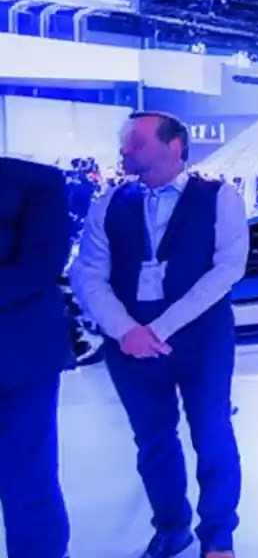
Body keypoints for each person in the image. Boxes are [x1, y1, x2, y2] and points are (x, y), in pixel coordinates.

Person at [71, 111, 248, 558]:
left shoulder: (221, 197)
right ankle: (171, 527)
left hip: (201, 338)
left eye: (136, 142)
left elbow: (228, 269)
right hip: (130, 345)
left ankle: (218, 536)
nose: (125, 149)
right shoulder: (109, 203)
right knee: (153, 440)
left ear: (174, 147)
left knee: (212, 433)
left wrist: (159, 327)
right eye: (125, 141)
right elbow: (88, 274)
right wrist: (126, 330)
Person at [0, 157, 73, 558]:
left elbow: (42, 264)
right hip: (25, 349)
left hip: (20, 357)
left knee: (28, 477)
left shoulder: (37, 182)